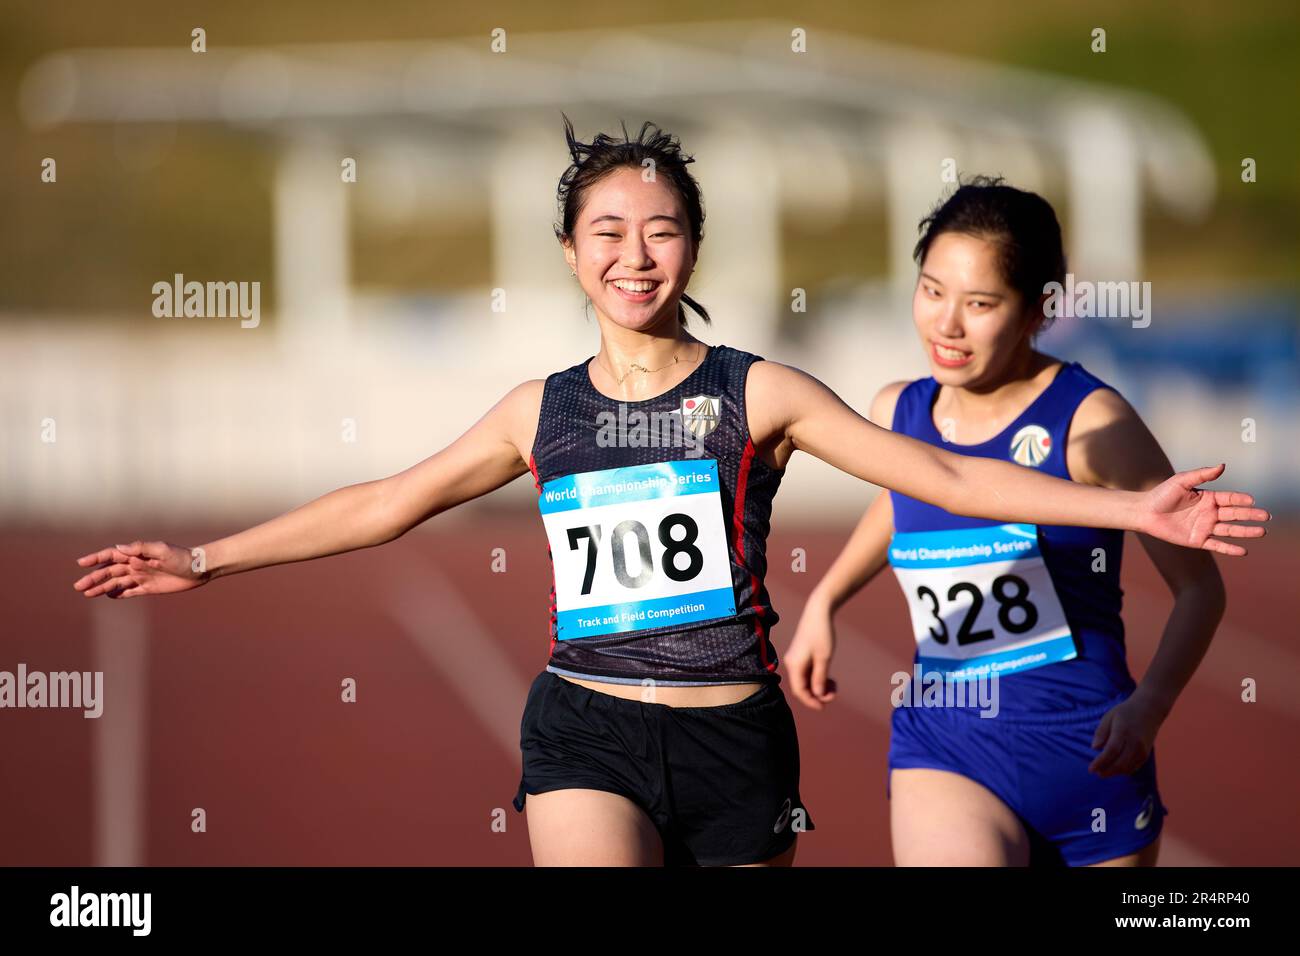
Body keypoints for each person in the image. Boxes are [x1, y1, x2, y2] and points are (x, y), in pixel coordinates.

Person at [73, 127, 1268, 868]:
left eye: (660, 230)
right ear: (570, 251)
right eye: (606, 231)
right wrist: (207, 558)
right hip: (582, 724)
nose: (633, 254)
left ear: (691, 249)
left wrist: (1132, 510)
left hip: (736, 741)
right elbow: (391, 499)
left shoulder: (764, 395)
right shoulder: (532, 412)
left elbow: (947, 475)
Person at [784, 175, 1249, 866]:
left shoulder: (1092, 422)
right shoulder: (897, 410)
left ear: (1037, 310)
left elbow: (1199, 588)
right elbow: (905, 500)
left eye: (979, 303)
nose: (946, 324)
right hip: (944, 745)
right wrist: (825, 599)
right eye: (932, 290)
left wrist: (1150, 706)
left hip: (1089, 755)